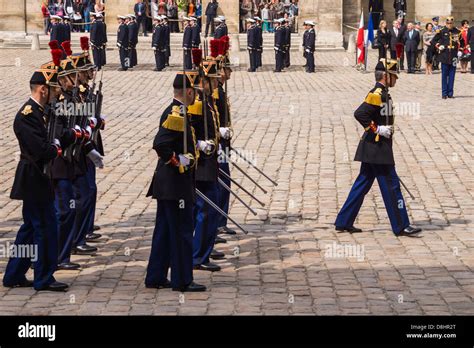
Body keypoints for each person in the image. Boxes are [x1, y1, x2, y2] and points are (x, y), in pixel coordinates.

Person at [3, 46, 74, 292]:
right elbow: (42, 150)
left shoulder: (44, 112)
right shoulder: (27, 115)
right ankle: (44, 277)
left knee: (30, 228)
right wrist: (55, 146)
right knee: (45, 227)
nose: (57, 94)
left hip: (42, 176)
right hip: (34, 177)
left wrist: (70, 136)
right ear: (43, 90)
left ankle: (13, 274)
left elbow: (59, 137)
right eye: (54, 89)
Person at [334, 58, 422, 238]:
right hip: (377, 149)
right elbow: (360, 114)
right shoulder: (377, 93)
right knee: (392, 186)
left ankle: (343, 221)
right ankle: (401, 225)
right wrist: (378, 129)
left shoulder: (384, 92)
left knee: (361, 185)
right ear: (385, 76)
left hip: (374, 148)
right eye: (394, 76)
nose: (396, 79)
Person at [145, 71, 206, 292]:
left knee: (164, 231)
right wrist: (178, 160)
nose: (196, 97)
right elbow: (160, 143)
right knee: (181, 232)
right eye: (195, 93)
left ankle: (156, 276)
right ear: (188, 91)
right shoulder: (177, 112)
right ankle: (182, 280)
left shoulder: (179, 111)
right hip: (176, 183)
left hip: (167, 186)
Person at [189, 55, 222, 273]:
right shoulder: (198, 102)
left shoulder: (208, 100)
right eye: (214, 80)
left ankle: (205, 251)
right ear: (205, 81)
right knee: (204, 212)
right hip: (201, 166)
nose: (218, 82)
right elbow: (188, 129)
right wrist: (200, 144)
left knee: (211, 210)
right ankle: (197, 255)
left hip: (211, 161)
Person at [432, 16, 464, 99]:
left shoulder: (457, 31)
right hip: (444, 55)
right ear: (446, 23)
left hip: (453, 56)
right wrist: (439, 46)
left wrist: (460, 50)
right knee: (444, 76)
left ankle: (450, 93)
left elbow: (462, 42)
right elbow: (434, 40)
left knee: (452, 75)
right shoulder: (442, 31)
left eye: (451, 23)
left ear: (453, 23)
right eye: (448, 23)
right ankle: (444, 93)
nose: (449, 24)